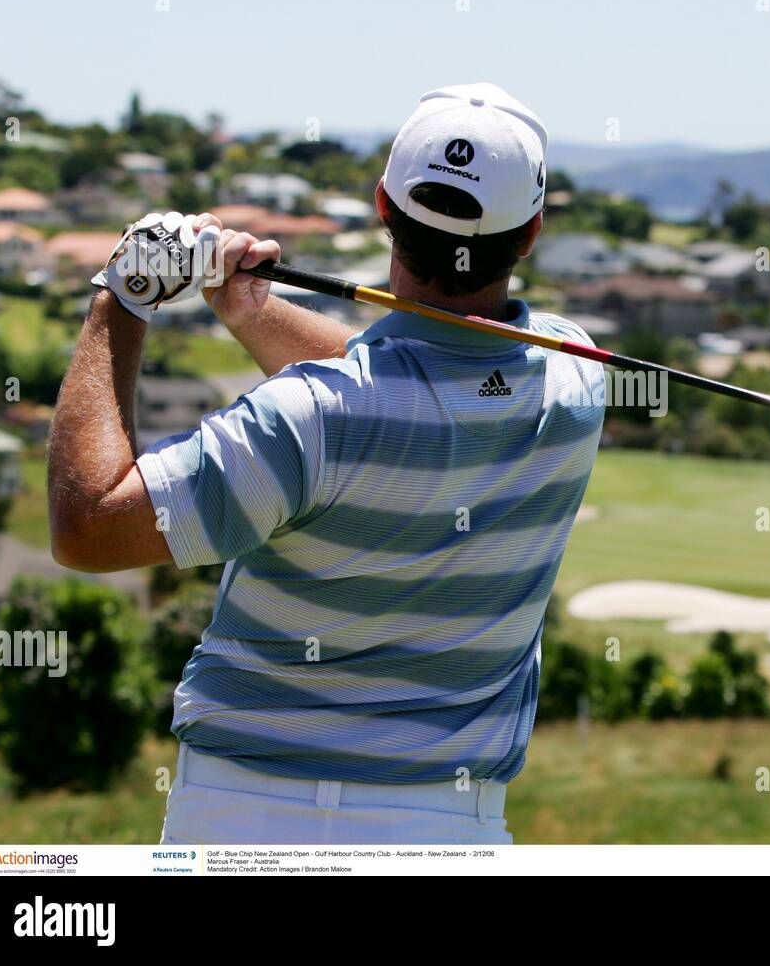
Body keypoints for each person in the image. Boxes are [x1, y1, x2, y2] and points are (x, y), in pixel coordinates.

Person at [47, 84, 605, 844]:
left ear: (383, 205)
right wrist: (251, 311)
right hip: (450, 830)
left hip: (243, 825)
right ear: (532, 231)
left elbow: (87, 528)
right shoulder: (577, 378)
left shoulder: (307, 419)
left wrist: (123, 297)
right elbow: (412, 379)